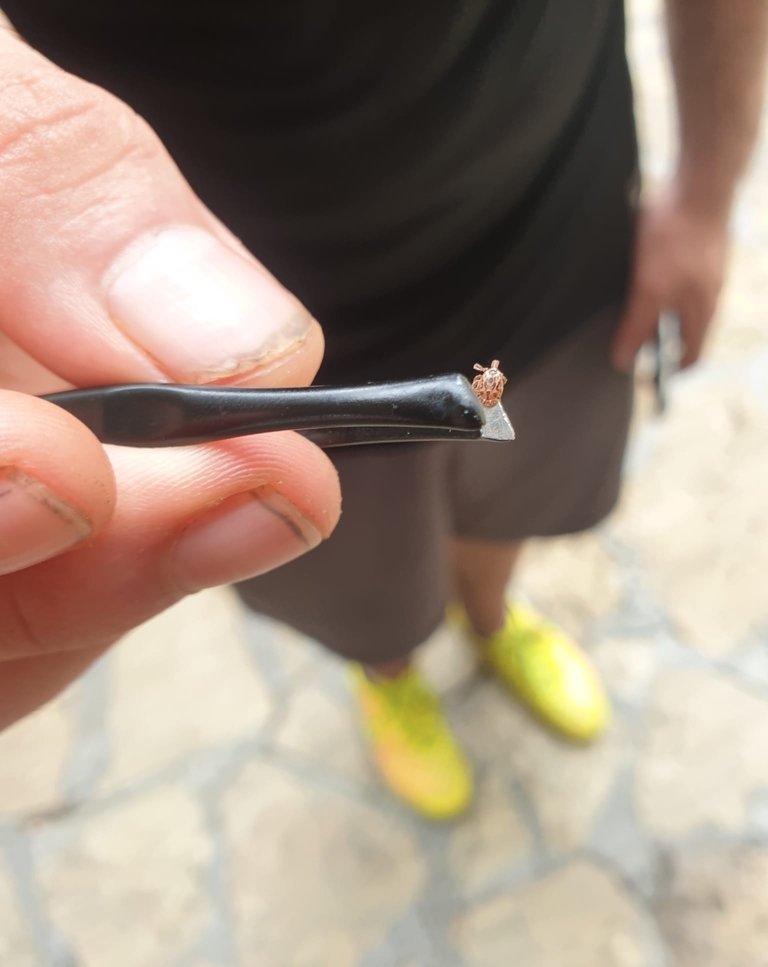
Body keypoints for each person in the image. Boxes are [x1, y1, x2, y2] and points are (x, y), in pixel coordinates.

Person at [0, 2, 765, 817]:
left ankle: (492, 619)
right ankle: (390, 674)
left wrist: (705, 195)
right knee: (358, 588)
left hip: (557, 240)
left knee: (512, 503)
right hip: (260, 383)